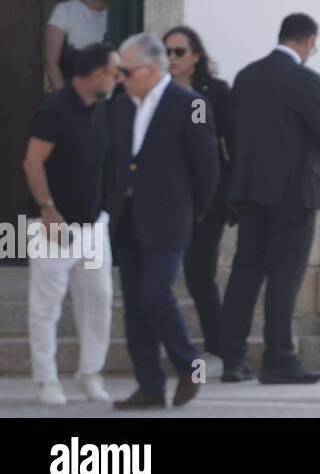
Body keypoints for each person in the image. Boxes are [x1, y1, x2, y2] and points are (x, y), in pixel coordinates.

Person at [220, 13, 320, 384]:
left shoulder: (246, 76)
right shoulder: (304, 79)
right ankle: (278, 359)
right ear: (307, 40)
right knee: (284, 278)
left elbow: (232, 133)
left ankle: (232, 360)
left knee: (244, 274)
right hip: (294, 193)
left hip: (253, 191)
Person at [108, 34, 219, 409]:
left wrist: (194, 213)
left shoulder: (192, 104)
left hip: (170, 219)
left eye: (125, 70)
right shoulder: (123, 106)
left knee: (156, 294)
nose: (119, 77)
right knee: (136, 306)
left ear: (149, 70)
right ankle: (150, 387)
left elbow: (207, 168)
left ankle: (190, 365)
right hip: (129, 220)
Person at [22, 43, 120, 405]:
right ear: (96, 74)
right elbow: (32, 163)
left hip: (92, 232)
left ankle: (90, 373)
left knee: (98, 300)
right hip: (53, 231)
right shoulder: (54, 110)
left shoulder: (101, 109)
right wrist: (47, 209)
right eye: (114, 72)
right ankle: (47, 380)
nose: (118, 79)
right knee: (46, 306)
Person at [164, 25, 234, 361]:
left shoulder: (216, 92)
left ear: (195, 56)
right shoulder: (157, 92)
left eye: (179, 52)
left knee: (199, 275)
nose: (172, 59)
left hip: (208, 199)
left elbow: (232, 143)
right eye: (167, 52)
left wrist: (233, 195)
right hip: (168, 198)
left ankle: (219, 348)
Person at [43, 0, 111, 91]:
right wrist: (66, 102)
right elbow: (51, 63)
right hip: (77, 93)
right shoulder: (64, 10)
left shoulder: (118, 11)